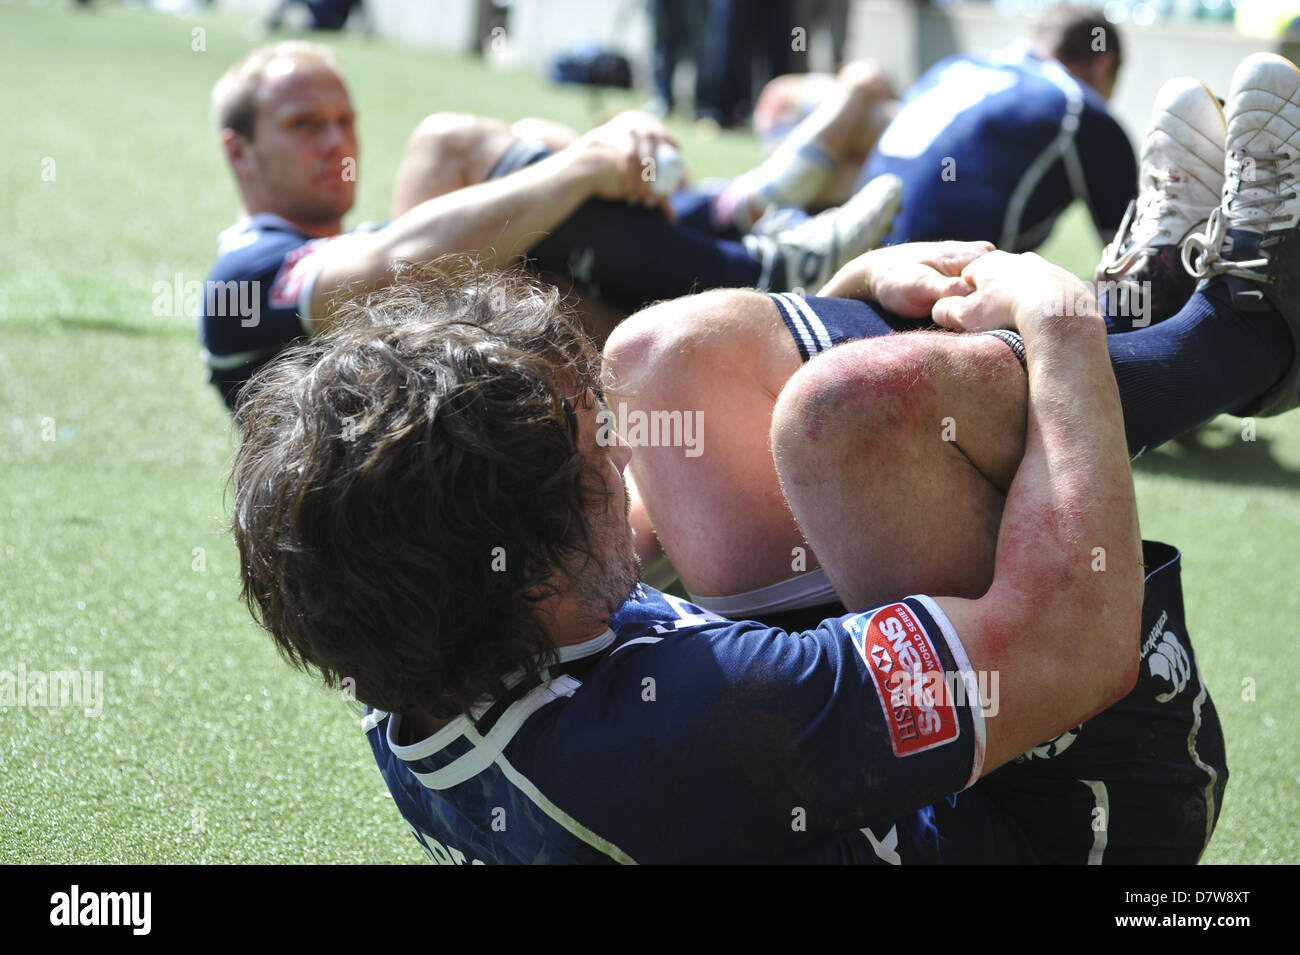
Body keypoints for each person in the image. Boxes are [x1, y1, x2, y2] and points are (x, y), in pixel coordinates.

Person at [228, 52, 1298, 864]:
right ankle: (1243, 334)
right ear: (539, 562)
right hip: (1072, 816)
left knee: (666, 355)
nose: (619, 445)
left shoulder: (430, 638)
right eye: (595, 448)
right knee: (855, 418)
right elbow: (1069, 645)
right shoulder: (687, 730)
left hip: (792, 752)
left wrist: (859, 294)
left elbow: (638, 512)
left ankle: (1146, 314)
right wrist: (1056, 316)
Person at [200, 41, 902, 410]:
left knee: (509, 178)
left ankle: (747, 222)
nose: (334, 142)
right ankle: (754, 252)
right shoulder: (246, 273)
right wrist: (581, 167)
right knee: (462, 168)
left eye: (343, 121)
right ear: (239, 152)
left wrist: (597, 152)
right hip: (423, 482)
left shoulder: (356, 237)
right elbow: (395, 272)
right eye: (302, 126)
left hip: (518, 415)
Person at [712, 5, 1136, 253]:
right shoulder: (1081, 108)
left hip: (848, 261)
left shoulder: (956, 65)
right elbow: (1133, 264)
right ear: (1103, 67)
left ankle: (757, 201)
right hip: (928, 301)